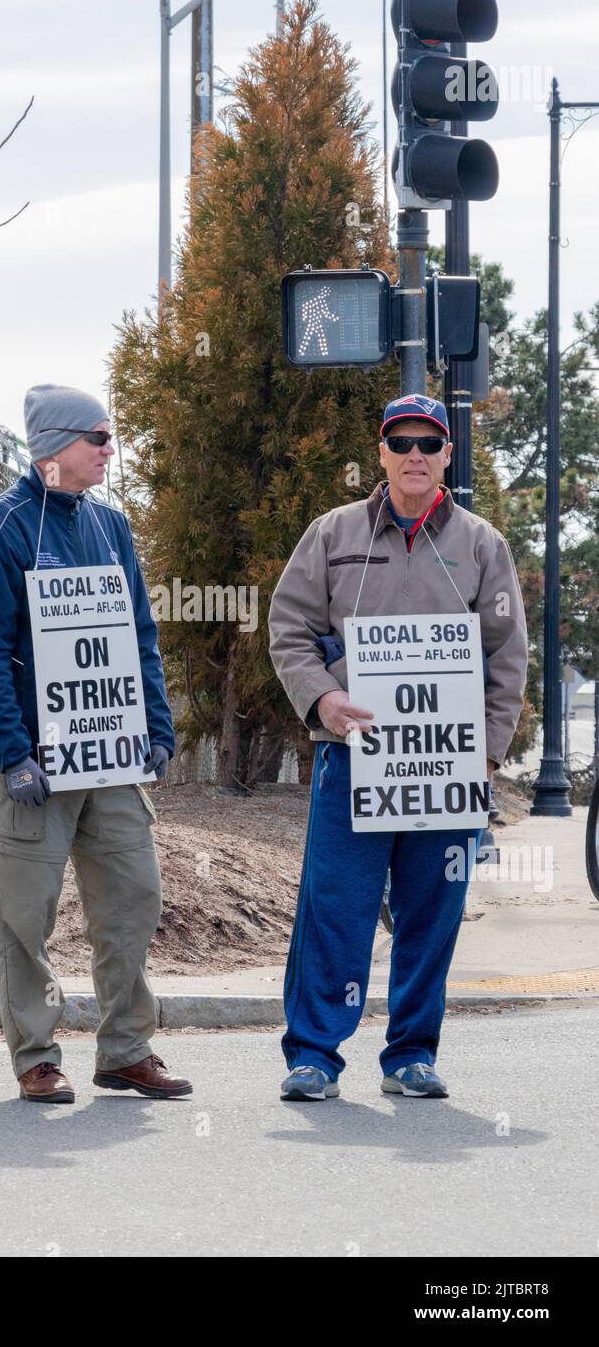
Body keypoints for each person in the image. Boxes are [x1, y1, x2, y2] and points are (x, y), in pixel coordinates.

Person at [268, 394, 528, 1101]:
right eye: (400, 441)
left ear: (447, 455)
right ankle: (315, 1055)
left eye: (428, 443)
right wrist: (321, 697)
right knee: (335, 906)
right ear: (380, 452)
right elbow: (288, 628)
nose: (414, 454)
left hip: (447, 766)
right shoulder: (331, 533)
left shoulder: (481, 545)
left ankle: (410, 1053)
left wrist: (487, 753)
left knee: (429, 910)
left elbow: (506, 655)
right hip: (350, 757)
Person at [0, 384, 192, 1103]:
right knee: (25, 914)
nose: (109, 448)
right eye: (98, 436)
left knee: (132, 896)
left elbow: (137, 637)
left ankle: (125, 1049)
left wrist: (154, 723)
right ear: (56, 445)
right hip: (29, 760)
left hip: (108, 754)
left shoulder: (110, 527)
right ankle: (35, 1055)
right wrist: (14, 751)